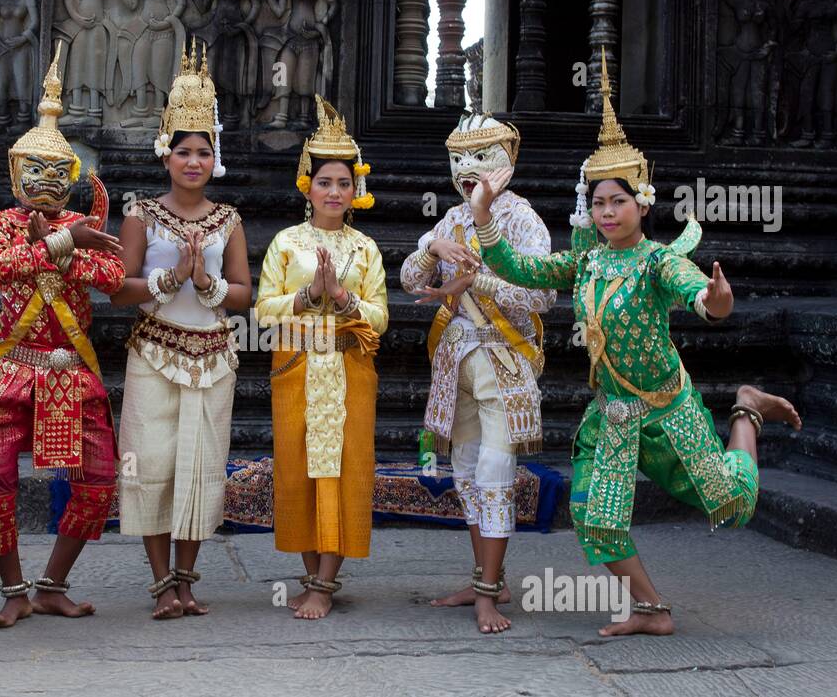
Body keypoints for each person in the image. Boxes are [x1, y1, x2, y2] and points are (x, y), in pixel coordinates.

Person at [472, 50, 802, 636]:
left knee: (732, 503)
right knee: (594, 519)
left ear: (641, 203)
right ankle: (653, 609)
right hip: (614, 415)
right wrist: (484, 215)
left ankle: (746, 410)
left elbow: (701, 295)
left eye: (617, 201)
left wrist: (717, 296)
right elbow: (517, 267)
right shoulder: (585, 261)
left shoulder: (656, 263)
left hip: (668, 410)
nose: (606, 212)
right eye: (598, 202)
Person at [0, 41, 125, 629]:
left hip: (68, 369)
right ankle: (12, 589)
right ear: (14, 172)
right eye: (36, 172)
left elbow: (111, 274)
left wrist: (62, 246)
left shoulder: (87, 227)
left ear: (74, 179)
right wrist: (58, 246)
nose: (48, 183)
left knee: (99, 482)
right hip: (9, 366)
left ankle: (52, 583)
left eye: (60, 174)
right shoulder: (2, 225)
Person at [110, 43, 252, 619]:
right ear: (165, 156)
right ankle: (160, 583)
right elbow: (119, 287)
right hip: (154, 352)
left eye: (203, 151)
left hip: (213, 357)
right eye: (183, 151)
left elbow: (245, 293)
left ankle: (188, 581)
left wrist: (209, 286)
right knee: (151, 463)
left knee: (200, 465)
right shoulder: (140, 213)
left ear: (214, 158)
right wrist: (170, 279)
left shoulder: (228, 219)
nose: (193, 160)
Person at [400, 113, 555, 633]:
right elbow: (408, 279)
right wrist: (431, 248)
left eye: (481, 157)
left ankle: (488, 593)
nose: (468, 169)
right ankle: (488, 577)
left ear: (508, 160)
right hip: (456, 362)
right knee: (465, 473)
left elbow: (542, 294)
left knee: (493, 472)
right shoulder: (450, 220)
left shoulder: (522, 220)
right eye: (459, 159)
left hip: (504, 359)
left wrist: (478, 283)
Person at [255, 96, 388, 620]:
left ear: (357, 189)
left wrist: (345, 299)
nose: (335, 191)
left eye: (344, 182)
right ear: (306, 185)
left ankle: (325, 584)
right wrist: (310, 296)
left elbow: (380, 316)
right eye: (325, 182)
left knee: (345, 470)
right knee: (299, 471)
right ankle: (311, 573)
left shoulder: (367, 248)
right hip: (298, 369)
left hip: (351, 368)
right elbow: (264, 311)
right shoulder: (286, 243)